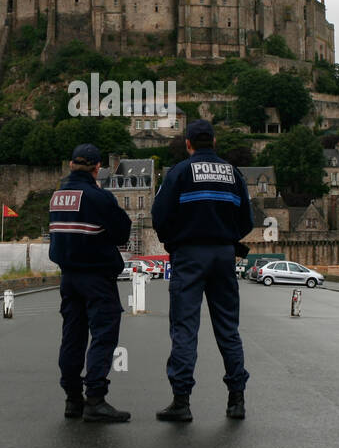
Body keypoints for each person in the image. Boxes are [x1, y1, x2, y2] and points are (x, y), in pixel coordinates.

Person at [149, 120, 254, 422]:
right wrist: (226, 235)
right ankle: (237, 400)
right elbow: (246, 220)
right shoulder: (233, 174)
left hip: (189, 254)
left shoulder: (180, 172)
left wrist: (174, 240)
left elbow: (159, 216)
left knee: (185, 328)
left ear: (188, 143)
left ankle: (181, 402)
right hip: (223, 254)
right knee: (228, 329)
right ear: (215, 141)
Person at [48, 143, 133, 423]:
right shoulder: (98, 197)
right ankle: (95, 398)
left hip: (68, 277)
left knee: (72, 336)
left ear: (71, 165)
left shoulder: (57, 196)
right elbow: (122, 232)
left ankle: (73, 399)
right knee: (103, 334)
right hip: (96, 276)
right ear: (97, 168)